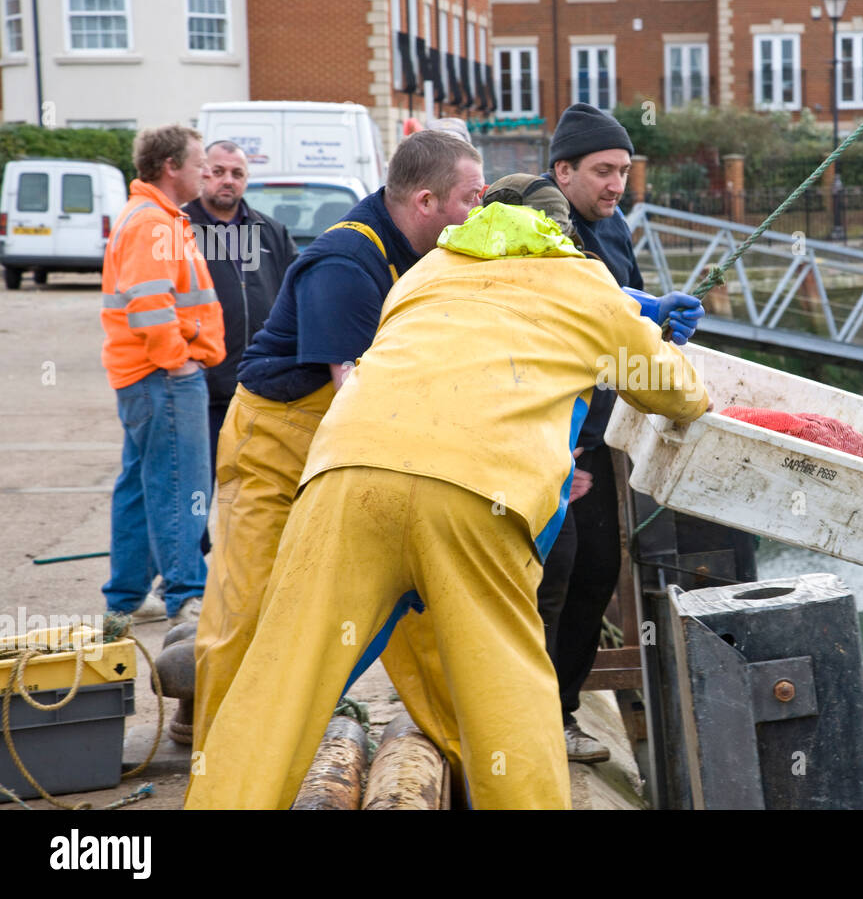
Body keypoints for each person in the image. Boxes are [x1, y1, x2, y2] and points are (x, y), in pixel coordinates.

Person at [184, 179, 710, 810]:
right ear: (563, 236)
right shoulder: (586, 283)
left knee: (281, 679)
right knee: (505, 692)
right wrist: (657, 340)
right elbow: (674, 391)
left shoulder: (427, 271)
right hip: (475, 494)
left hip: (345, 475)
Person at [191, 130, 484, 753]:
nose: (478, 211)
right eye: (470, 197)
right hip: (278, 444)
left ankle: (466, 755)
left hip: (356, 445)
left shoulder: (435, 255)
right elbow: (357, 394)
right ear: (427, 201)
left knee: (420, 602)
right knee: (249, 612)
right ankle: (223, 769)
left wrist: (638, 308)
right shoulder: (346, 263)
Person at [537, 103, 704, 762]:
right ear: (564, 170)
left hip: (602, 430)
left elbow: (625, 311)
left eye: (624, 172)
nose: (616, 186)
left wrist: (661, 323)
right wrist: (642, 309)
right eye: (603, 171)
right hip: (550, 430)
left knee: (600, 567)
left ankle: (565, 710)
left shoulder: (616, 231)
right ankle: (534, 713)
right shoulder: (543, 223)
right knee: (555, 566)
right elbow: (578, 300)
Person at [100, 125, 225, 628]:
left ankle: (127, 596)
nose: (206, 173)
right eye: (200, 164)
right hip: (164, 376)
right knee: (181, 484)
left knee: (141, 484)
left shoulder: (151, 217)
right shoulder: (154, 223)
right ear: (171, 167)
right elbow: (149, 306)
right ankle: (186, 597)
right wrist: (178, 360)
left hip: (145, 375)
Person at [181, 140, 297, 554]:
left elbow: (293, 296)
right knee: (194, 487)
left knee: (261, 486)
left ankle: (254, 564)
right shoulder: (181, 229)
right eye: (218, 170)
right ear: (202, 173)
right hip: (201, 386)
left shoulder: (268, 231)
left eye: (237, 173)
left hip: (258, 388)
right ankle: (186, 580)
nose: (227, 180)